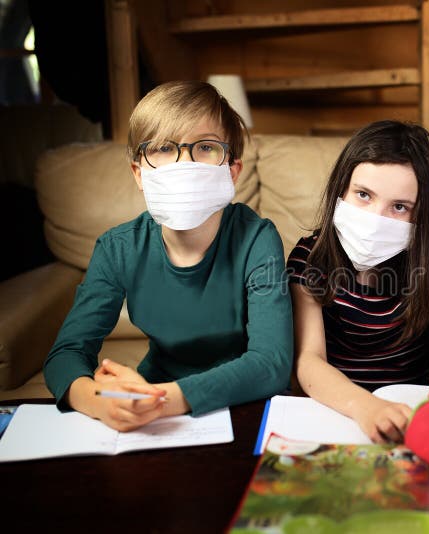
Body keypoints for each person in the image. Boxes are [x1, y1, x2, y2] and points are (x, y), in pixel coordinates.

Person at [43, 81, 294, 431]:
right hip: (151, 398)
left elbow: (271, 363)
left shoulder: (257, 238)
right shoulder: (118, 248)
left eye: (205, 147)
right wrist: (99, 400)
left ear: (232, 171)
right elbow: (66, 354)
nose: (184, 163)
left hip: (243, 401)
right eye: (163, 147)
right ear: (139, 173)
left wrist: (163, 401)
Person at [289, 120, 429, 443]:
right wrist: (367, 407)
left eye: (399, 207)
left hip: (411, 412)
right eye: (363, 195)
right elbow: (309, 361)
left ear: (419, 215)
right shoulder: (310, 258)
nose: (376, 219)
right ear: (340, 191)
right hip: (338, 411)